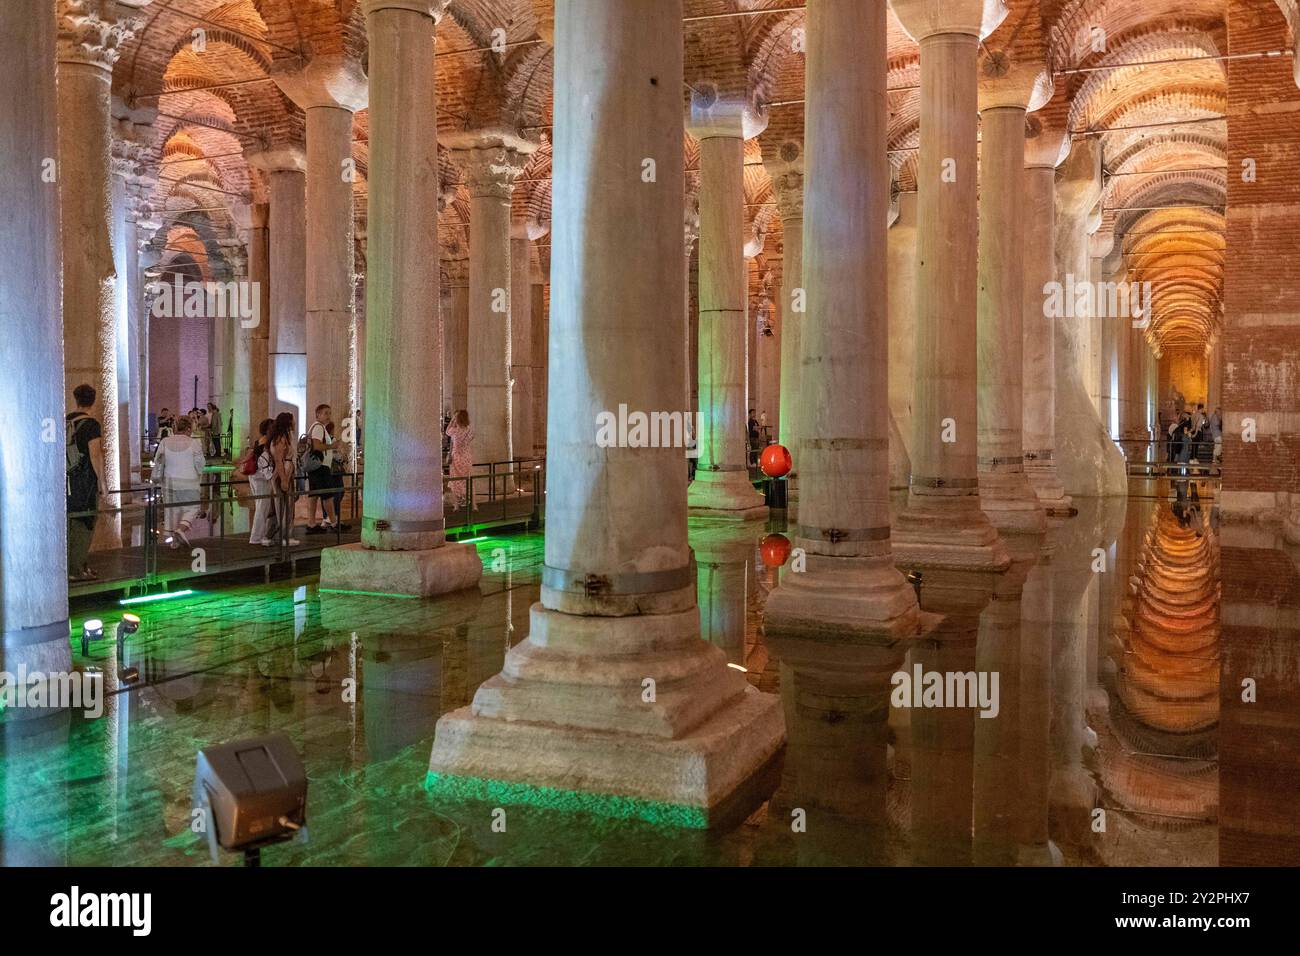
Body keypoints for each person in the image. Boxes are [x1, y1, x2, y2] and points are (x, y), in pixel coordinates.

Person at [66, 383, 105, 582]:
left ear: (76, 399)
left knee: (69, 523)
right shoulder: (91, 424)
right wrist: (103, 483)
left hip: (67, 481)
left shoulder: (66, 421)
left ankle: (74, 565)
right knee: (85, 522)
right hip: (85, 482)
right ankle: (76, 570)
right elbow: (95, 455)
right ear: (93, 400)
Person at [152, 415, 207, 549]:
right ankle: (180, 530)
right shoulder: (194, 443)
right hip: (189, 482)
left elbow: (157, 460)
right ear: (188, 428)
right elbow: (200, 464)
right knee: (193, 508)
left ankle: (174, 542)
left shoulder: (165, 441)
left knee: (172, 510)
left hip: (169, 482)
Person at [305, 404, 343, 534]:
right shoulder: (319, 428)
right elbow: (317, 446)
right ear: (318, 414)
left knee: (314, 495)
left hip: (315, 467)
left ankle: (311, 523)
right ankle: (333, 522)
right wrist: (332, 446)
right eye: (325, 413)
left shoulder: (316, 427)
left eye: (329, 413)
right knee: (328, 496)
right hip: (320, 466)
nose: (328, 416)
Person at [268, 411, 300, 546]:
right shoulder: (281, 439)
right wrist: (284, 479)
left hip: (288, 471)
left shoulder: (286, 437)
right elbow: (278, 460)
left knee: (287, 505)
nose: (295, 422)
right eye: (293, 420)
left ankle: (285, 535)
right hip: (283, 473)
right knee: (283, 506)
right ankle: (284, 537)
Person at [248, 418, 277, 546]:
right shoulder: (266, 442)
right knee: (262, 507)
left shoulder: (259, 441)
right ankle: (256, 537)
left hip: (255, 476)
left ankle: (259, 535)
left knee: (261, 506)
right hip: (261, 477)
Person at [446, 409, 475, 510]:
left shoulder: (454, 431)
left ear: (457, 419)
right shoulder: (469, 430)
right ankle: (474, 505)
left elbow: (447, 431)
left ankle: (456, 505)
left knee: (454, 480)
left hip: (457, 458)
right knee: (469, 479)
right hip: (466, 457)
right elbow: (472, 438)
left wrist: (452, 420)